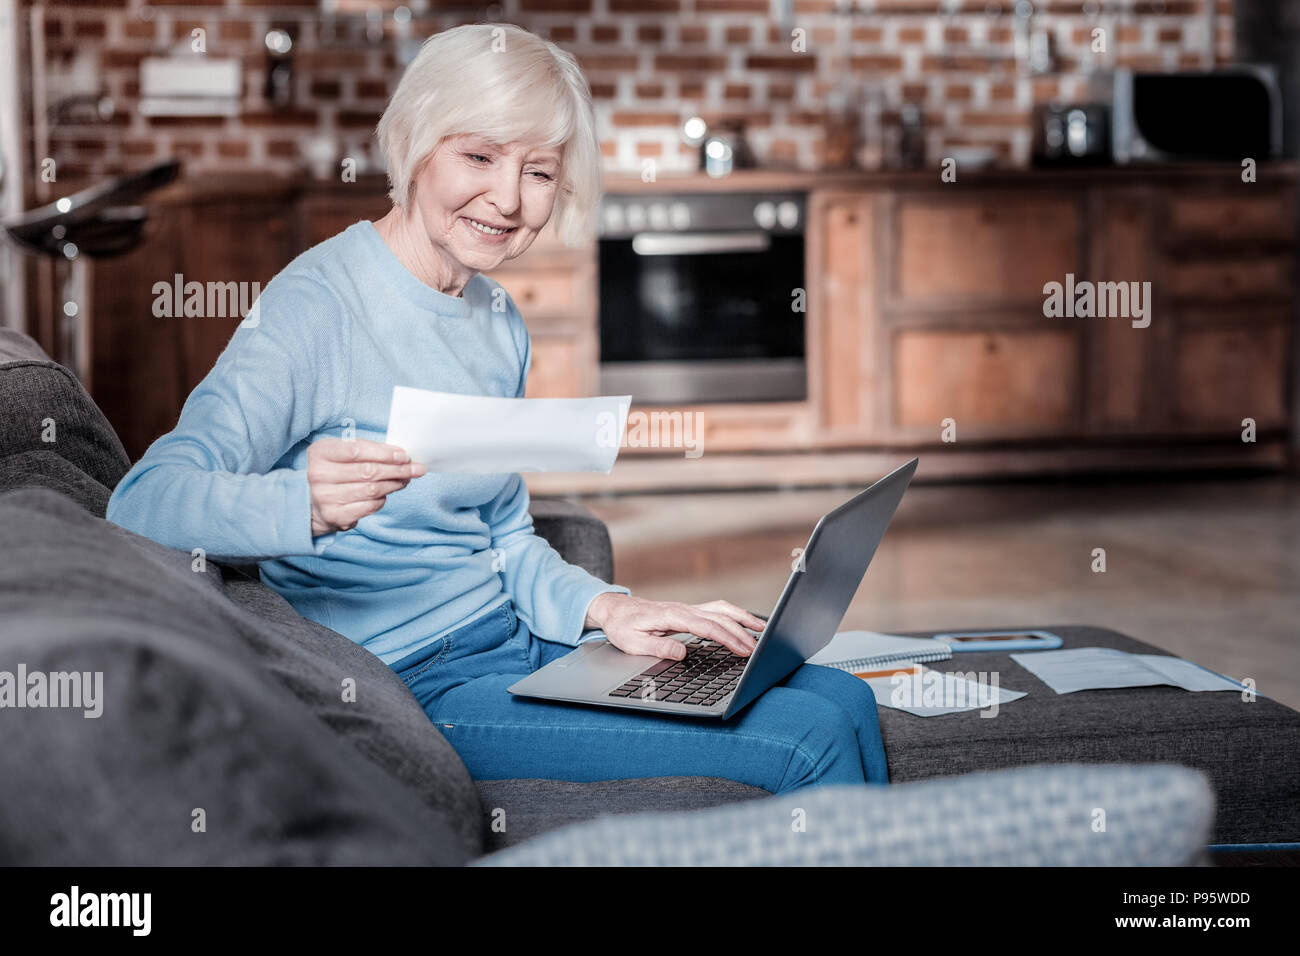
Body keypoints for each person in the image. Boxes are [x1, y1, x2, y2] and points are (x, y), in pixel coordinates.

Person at [106, 22, 887, 794]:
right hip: (412, 685)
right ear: (415, 145)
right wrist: (298, 503)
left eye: (539, 172)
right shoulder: (315, 307)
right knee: (808, 739)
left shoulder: (495, 318)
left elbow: (504, 535)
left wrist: (607, 608)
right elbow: (143, 503)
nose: (509, 199)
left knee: (844, 696)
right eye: (477, 156)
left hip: (517, 643)